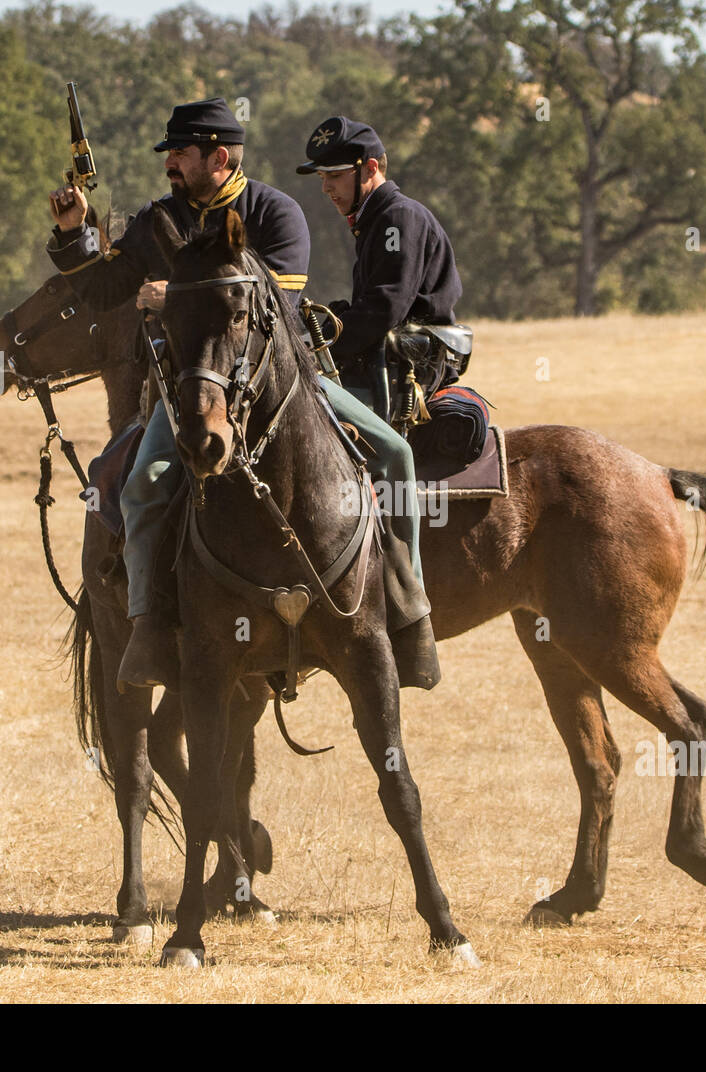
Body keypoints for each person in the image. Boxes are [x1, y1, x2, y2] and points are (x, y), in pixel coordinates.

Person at [47, 97, 310, 689]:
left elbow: (281, 309)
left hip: (275, 388)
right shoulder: (158, 220)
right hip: (191, 391)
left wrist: (179, 298)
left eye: (180, 153)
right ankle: (148, 626)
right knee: (139, 490)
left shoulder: (276, 212)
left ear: (218, 156)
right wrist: (73, 236)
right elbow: (106, 289)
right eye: (169, 153)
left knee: (387, 457)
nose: (170, 163)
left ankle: (398, 611)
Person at [296, 116, 463, 593]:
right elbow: (371, 306)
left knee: (381, 449)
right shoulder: (374, 220)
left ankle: (407, 580)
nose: (326, 187)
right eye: (321, 177)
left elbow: (386, 308)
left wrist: (319, 350)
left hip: (410, 364)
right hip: (388, 354)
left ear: (369, 167)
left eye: (334, 175)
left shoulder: (395, 217)